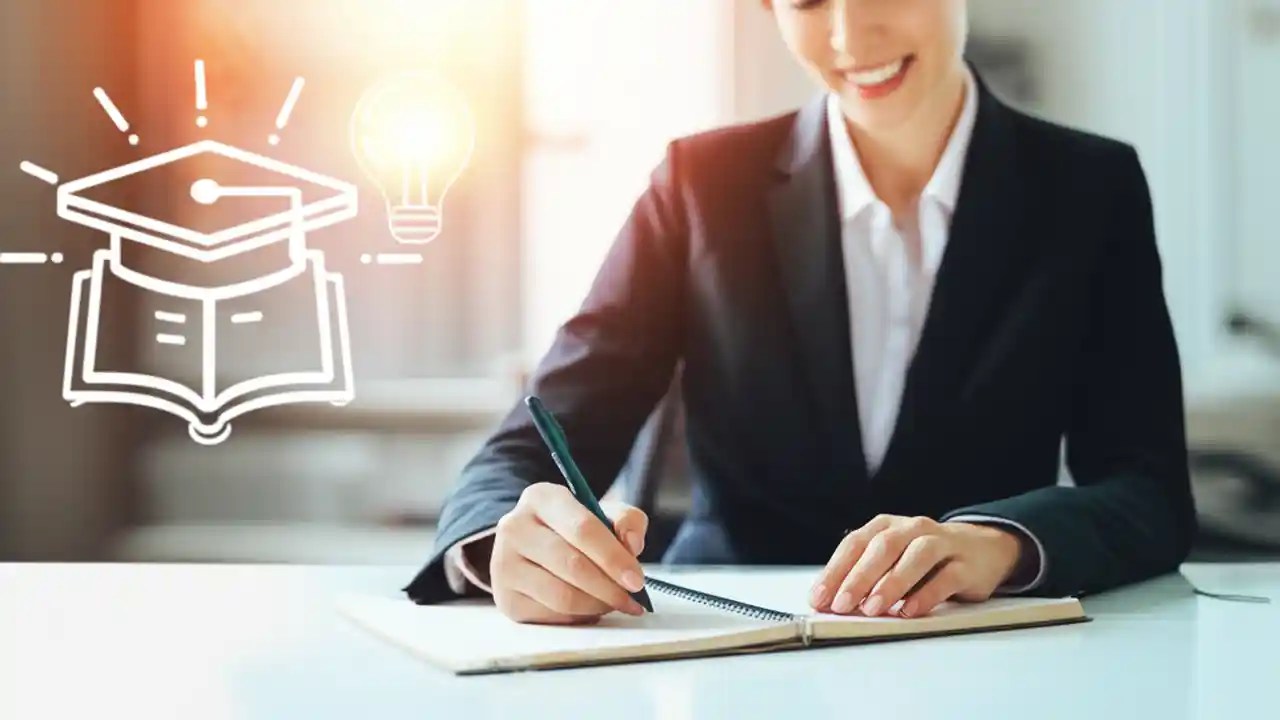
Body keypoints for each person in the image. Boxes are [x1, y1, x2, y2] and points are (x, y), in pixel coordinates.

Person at [405, 0, 1196, 624]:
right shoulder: (701, 185)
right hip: (720, 645)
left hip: (971, 653)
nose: (851, 33)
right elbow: (527, 448)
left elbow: (1149, 492)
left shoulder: (1089, 190)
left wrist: (1000, 546)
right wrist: (501, 547)